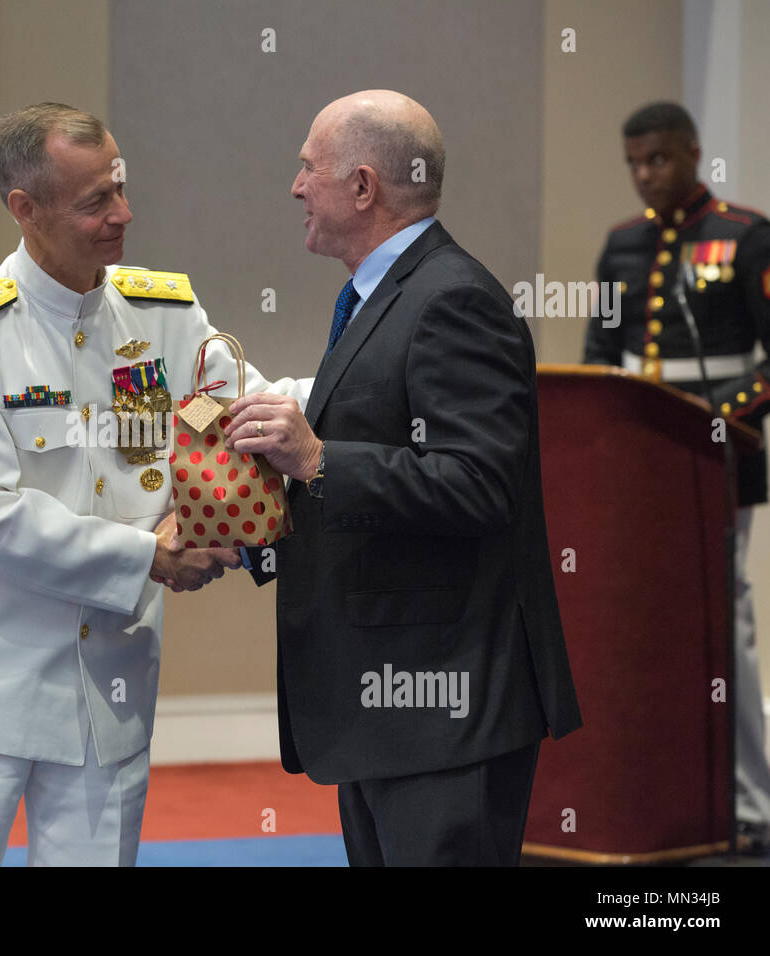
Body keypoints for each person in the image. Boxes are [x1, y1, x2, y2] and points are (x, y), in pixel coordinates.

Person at [0, 102, 310, 866]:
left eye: (120, 186)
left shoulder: (163, 313)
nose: (123, 214)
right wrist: (147, 556)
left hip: (110, 687)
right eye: (95, 202)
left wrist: (360, 393)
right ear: (25, 209)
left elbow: (244, 403)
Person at [222, 90, 582, 865]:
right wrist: (246, 536)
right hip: (389, 707)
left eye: (306, 168)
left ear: (362, 186)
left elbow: (482, 483)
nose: (294, 187)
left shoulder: (452, 298)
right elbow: (371, 493)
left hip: (443, 707)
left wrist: (318, 458)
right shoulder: (379, 295)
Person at [583, 101, 770, 851]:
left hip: (715, 451)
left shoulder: (744, 236)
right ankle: (654, 797)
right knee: (636, 627)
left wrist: (717, 414)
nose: (645, 175)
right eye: (633, 162)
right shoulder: (621, 246)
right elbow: (599, 355)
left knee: (726, 624)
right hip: (637, 465)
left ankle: (753, 807)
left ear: (693, 152)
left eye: (658, 159)